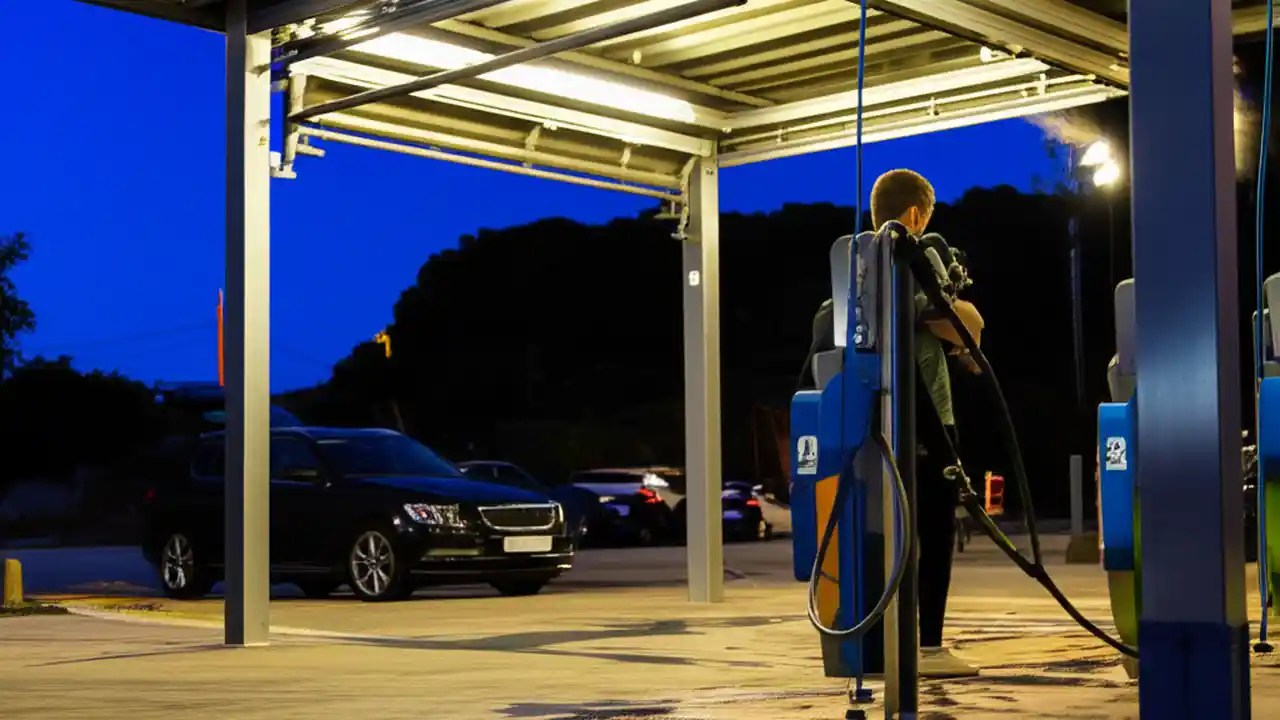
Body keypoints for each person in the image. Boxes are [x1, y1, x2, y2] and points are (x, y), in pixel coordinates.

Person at [799, 169, 983, 678]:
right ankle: (926, 646)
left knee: (876, 530)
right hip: (924, 423)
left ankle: (872, 632)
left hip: (861, 427)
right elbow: (970, 326)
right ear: (916, 217)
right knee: (932, 533)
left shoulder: (849, 283)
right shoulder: (913, 269)